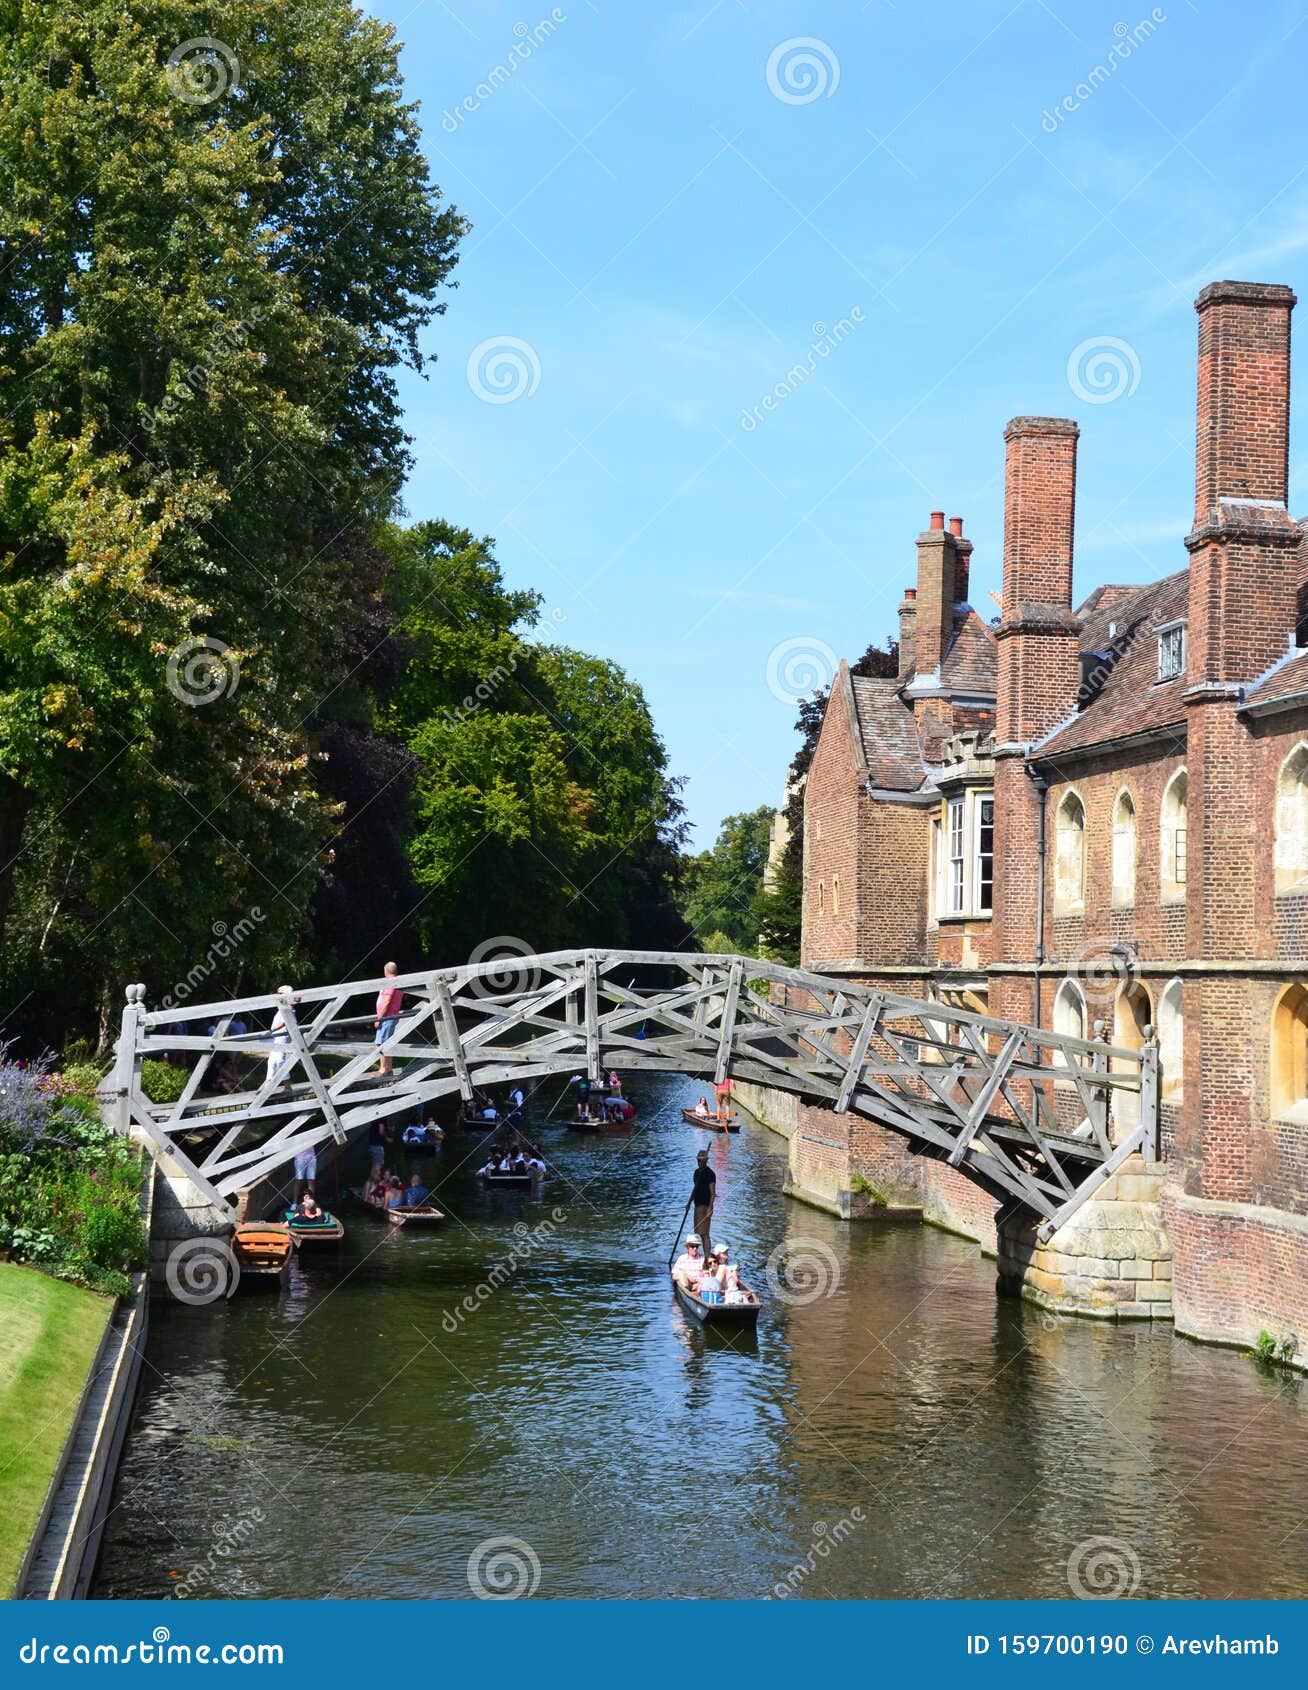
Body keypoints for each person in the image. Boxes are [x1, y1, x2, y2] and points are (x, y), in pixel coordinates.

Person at [374, 962, 403, 1077]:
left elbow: (386, 1002)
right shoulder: (399, 982)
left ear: (385, 971)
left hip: (386, 1017)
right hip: (391, 1016)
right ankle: (389, 1068)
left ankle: (383, 1070)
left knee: (381, 1043)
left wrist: (379, 1019)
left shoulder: (390, 983)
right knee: (388, 1043)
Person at [690, 1149, 716, 1256]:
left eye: (702, 1161)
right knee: (698, 1232)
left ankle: (707, 1256)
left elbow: (713, 1193)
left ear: (706, 1161)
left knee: (705, 1233)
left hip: (705, 1206)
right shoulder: (696, 1173)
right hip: (697, 1205)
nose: (700, 1163)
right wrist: (688, 1203)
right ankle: (699, 1255)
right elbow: (695, 1189)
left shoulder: (710, 1174)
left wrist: (710, 1207)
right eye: (699, 1161)